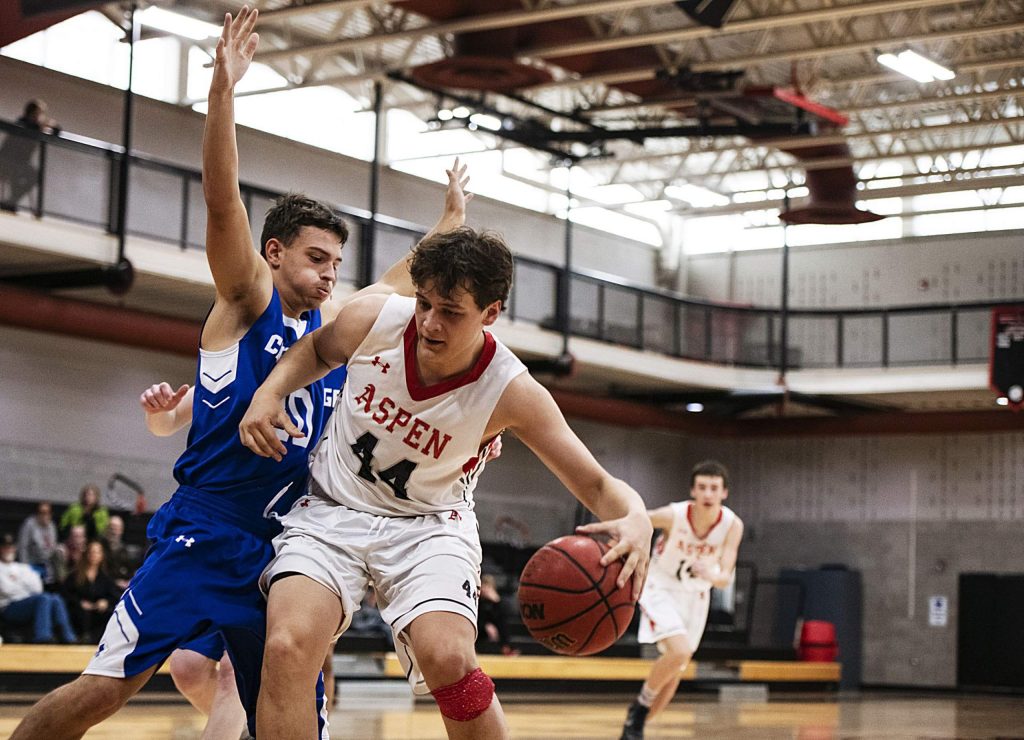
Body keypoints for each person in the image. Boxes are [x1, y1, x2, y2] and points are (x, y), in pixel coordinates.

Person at [9, 5, 470, 738]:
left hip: (282, 546)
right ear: (277, 251)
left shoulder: (330, 333)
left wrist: (450, 222)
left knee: (287, 707)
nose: (328, 276)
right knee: (104, 692)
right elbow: (223, 202)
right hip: (204, 533)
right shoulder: (245, 301)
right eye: (316, 258)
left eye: (336, 264)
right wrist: (223, 94)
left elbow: (400, 282)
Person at [239, 225, 654, 739]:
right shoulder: (378, 319)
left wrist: (636, 519)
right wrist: (269, 392)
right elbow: (318, 353)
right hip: (332, 507)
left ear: (490, 312)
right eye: (425, 304)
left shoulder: (511, 389)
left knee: (450, 657)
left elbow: (595, 485)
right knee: (286, 646)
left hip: (428, 525)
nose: (431, 323)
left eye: (451, 312)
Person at [619, 459, 744, 740]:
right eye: (702, 487)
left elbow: (725, 576)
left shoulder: (732, 525)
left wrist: (711, 573)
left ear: (724, 493)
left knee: (674, 672)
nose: (708, 494)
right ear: (693, 491)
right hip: (660, 587)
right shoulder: (673, 515)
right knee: (679, 651)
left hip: (697, 595)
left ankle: (633, 728)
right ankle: (639, 707)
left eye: (714, 488)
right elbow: (638, 520)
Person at [0, 534, 77, 644]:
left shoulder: (23, 567)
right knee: (44, 599)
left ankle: (69, 637)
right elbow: (6, 589)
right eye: (5, 547)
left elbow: (37, 587)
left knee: (55, 598)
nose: (8, 550)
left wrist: (17, 583)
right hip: (8, 607)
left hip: (30, 601)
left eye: (10, 547)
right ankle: (43, 637)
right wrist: (24, 585)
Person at [0, 99, 60, 211]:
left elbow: (57, 131)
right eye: (39, 113)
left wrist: (51, 125)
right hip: (6, 161)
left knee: (34, 175)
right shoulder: (21, 123)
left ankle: (11, 201)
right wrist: (42, 127)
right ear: (32, 113)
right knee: (20, 172)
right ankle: (10, 203)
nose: (42, 116)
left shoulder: (38, 126)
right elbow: (29, 128)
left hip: (22, 163)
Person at [63, 540, 121, 645]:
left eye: (97, 552)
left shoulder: (105, 577)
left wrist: (105, 602)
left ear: (102, 556)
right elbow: (66, 594)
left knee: (109, 613)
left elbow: (114, 595)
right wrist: (80, 603)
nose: (94, 555)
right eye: (92, 552)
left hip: (97, 611)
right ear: (87, 554)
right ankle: (80, 637)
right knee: (81, 613)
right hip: (79, 611)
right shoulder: (75, 575)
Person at [17, 501, 62, 585]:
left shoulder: (52, 525)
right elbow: (23, 547)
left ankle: (62, 583)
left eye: (47, 513)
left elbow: (52, 546)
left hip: (47, 563)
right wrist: (24, 568)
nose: (44, 515)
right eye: (41, 512)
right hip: (32, 562)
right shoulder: (29, 524)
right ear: (37, 513)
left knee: (61, 550)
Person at [477, 574, 517, 656]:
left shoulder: (497, 603)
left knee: (502, 624)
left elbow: (501, 619)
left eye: (487, 587)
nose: (485, 590)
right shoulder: (479, 602)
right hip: (481, 631)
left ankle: (506, 647)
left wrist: (496, 601)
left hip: (495, 632)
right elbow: (479, 618)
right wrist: (486, 626)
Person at [101, 515, 141, 591]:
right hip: (105, 587)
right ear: (106, 529)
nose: (113, 532)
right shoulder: (100, 548)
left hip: (122, 586)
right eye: (111, 528)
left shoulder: (124, 550)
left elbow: (130, 570)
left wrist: (128, 581)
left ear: (121, 531)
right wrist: (114, 582)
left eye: (116, 529)